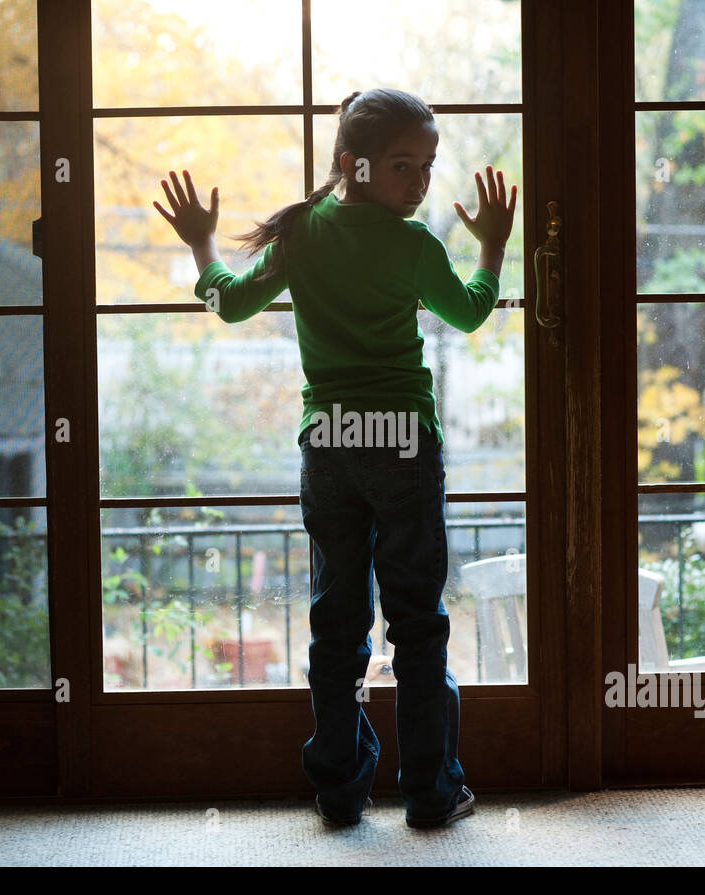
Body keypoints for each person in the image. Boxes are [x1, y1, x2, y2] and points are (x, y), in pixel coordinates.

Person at [153, 87, 516, 828]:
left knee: (337, 623)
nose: (418, 182)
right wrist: (494, 247)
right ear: (354, 167)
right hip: (403, 444)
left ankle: (341, 791)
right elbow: (472, 312)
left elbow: (229, 304)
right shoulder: (413, 246)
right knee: (417, 622)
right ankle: (431, 794)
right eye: (403, 166)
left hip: (332, 445)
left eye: (426, 166)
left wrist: (201, 245)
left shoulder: (303, 235)